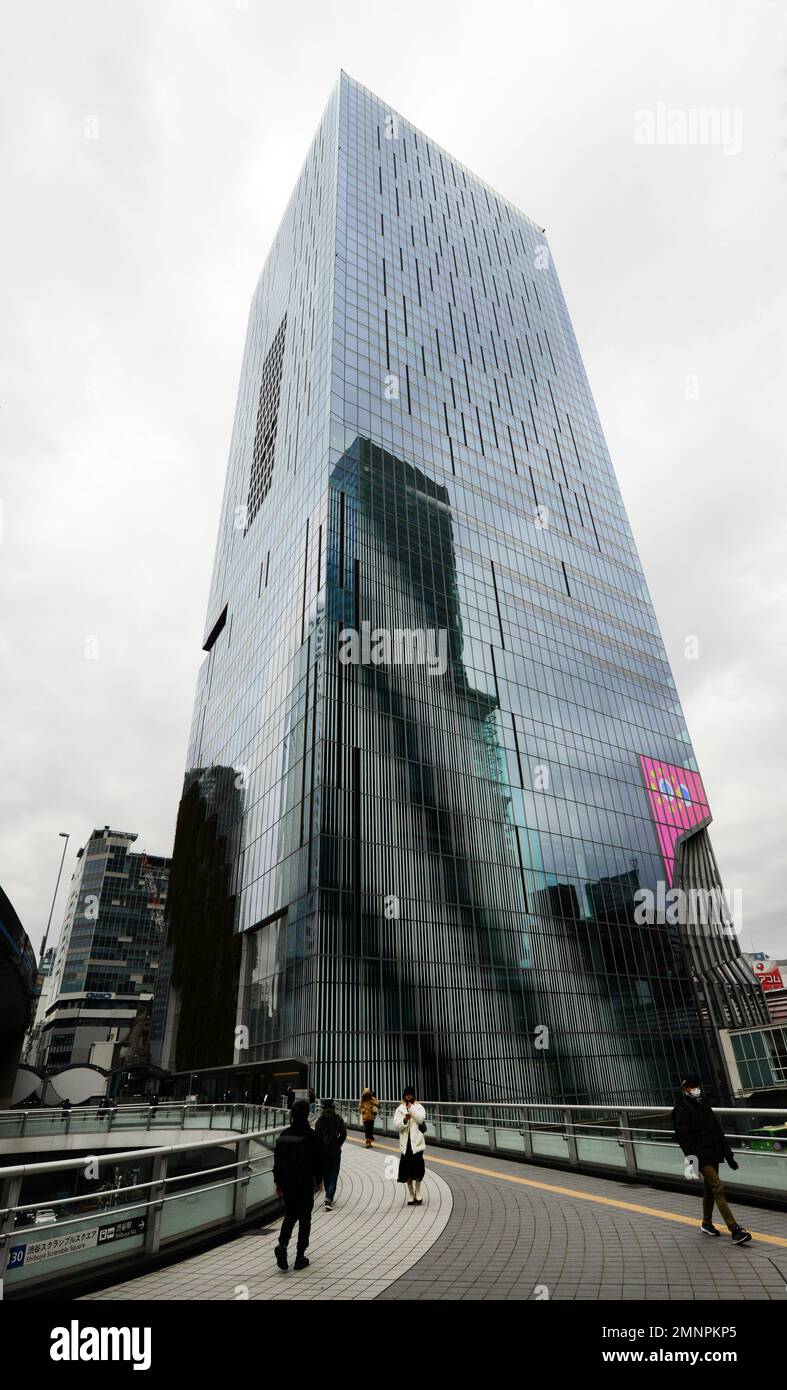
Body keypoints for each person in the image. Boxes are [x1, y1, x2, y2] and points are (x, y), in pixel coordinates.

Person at [673, 1075, 751, 1244]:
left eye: (697, 1086)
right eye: (692, 1087)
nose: (696, 1089)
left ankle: (706, 1223)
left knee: (709, 1189)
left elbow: (717, 1132)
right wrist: (693, 1164)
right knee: (718, 1187)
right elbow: (684, 1139)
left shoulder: (704, 1106)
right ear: (685, 1090)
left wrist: (729, 1157)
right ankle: (735, 1229)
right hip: (701, 1157)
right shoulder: (682, 1109)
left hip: (713, 1153)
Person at [272, 1099, 323, 1270]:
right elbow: (318, 1160)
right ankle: (300, 1255)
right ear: (307, 1114)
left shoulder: (283, 1135)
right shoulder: (311, 1135)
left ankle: (282, 1246)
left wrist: (278, 1183)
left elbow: (277, 1162)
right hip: (305, 1182)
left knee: (290, 1215)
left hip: (287, 1183)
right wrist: (319, 1180)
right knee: (305, 1218)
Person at [394, 1086, 427, 1205]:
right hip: (405, 1144)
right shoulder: (399, 1109)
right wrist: (404, 1120)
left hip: (417, 1143)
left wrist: (411, 1109)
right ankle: (410, 1193)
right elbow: (396, 1125)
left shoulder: (418, 1107)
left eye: (410, 1094)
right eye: (406, 1094)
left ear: (413, 1095)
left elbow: (421, 1119)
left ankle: (418, 1191)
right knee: (407, 1169)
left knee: (418, 1168)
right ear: (404, 1095)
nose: (408, 1096)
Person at [314, 1099, 347, 1210]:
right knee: (334, 1175)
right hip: (335, 1151)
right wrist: (338, 1144)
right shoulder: (338, 1119)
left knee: (326, 1176)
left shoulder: (319, 1121)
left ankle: (329, 1195)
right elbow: (343, 1134)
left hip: (322, 1153)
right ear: (333, 1107)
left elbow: (317, 1138)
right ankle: (329, 1197)